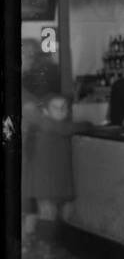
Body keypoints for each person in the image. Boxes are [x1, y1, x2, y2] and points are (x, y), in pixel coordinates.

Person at [24, 94, 92, 227]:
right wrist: (88, 124)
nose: (60, 111)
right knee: (44, 226)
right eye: (55, 107)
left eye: (63, 107)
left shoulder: (53, 125)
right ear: (45, 111)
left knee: (45, 225)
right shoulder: (46, 123)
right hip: (44, 188)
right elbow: (70, 128)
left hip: (57, 187)